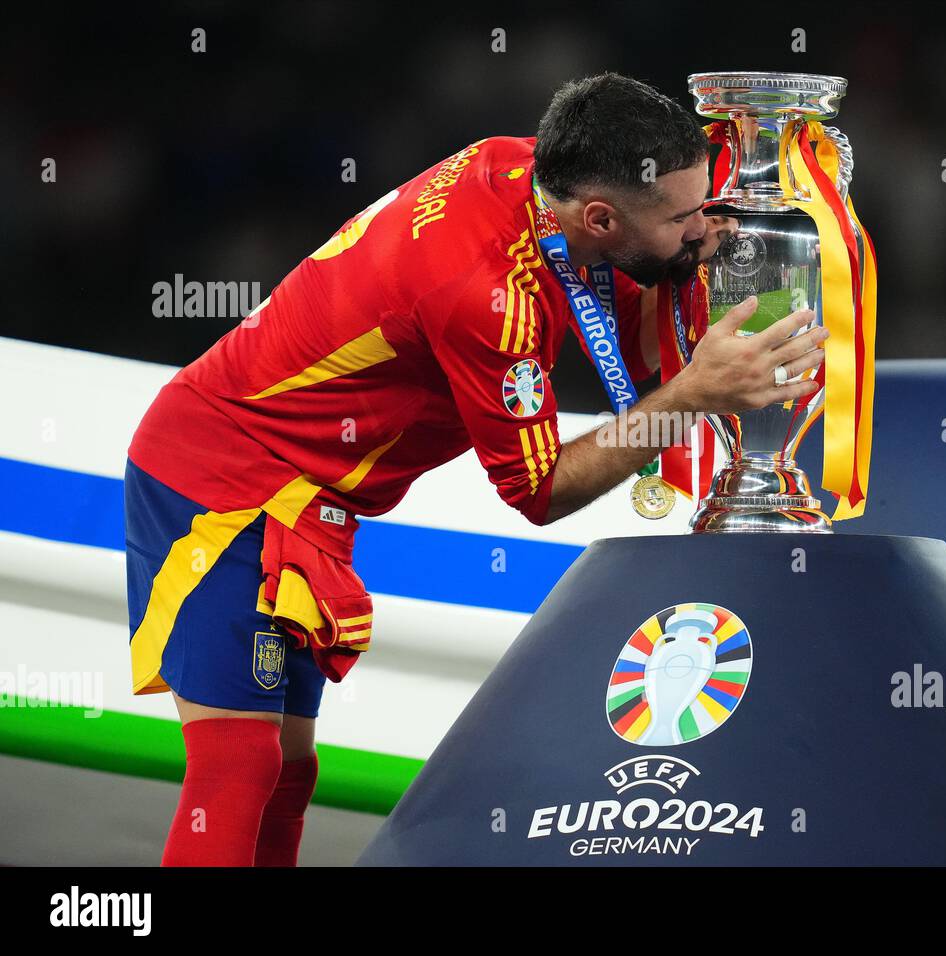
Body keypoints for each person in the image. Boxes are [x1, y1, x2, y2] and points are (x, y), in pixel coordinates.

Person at [124, 71, 827, 866]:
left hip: (305, 493)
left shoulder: (520, 167)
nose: (700, 226)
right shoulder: (484, 295)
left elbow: (617, 275)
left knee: (288, 768)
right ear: (599, 216)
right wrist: (695, 393)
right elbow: (539, 490)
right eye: (682, 216)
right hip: (222, 475)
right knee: (240, 761)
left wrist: (693, 263)